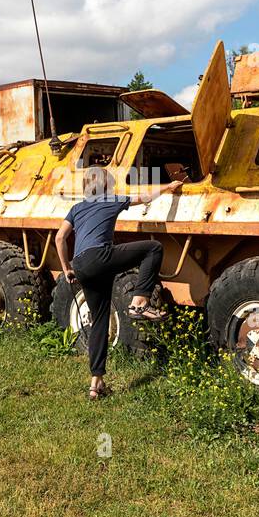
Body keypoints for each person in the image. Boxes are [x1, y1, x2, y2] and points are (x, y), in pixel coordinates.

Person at [55, 165, 183, 400]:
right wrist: (168, 186)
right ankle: (139, 302)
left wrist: (66, 269)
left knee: (99, 322)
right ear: (105, 186)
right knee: (152, 249)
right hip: (100, 257)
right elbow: (143, 198)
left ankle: (96, 383)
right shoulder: (110, 200)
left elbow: (60, 237)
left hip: (81, 266)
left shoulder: (77, 208)